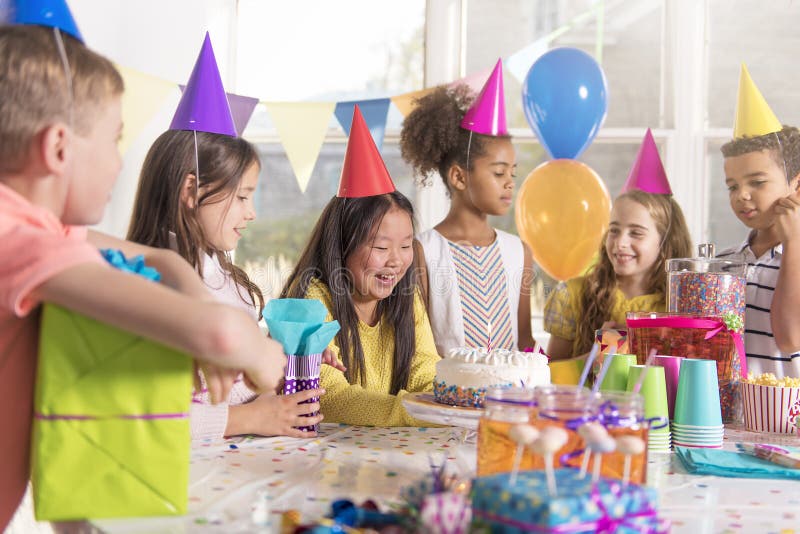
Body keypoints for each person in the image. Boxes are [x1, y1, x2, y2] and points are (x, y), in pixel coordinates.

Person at [0, 25, 285, 530]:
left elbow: (156, 260)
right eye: (114, 141)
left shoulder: (28, 229)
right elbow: (218, 333)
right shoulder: (21, 242)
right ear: (59, 148)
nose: (118, 162)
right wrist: (260, 354)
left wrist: (190, 287)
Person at [128, 130, 344, 439]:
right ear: (191, 190)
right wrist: (249, 419)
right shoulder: (153, 289)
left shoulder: (225, 279)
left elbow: (236, 385)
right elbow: (146, 413)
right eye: (242, 196)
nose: (252, 212)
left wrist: (286, 359)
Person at [281, 106, 440, 426]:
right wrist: (417, 410)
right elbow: (331, 397)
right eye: (381, 247)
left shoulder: (405, 297)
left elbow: (427, 373)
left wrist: (444, 400)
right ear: (342, 244)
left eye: (406, 245)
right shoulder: (311, 302)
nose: (396, 260)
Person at [400, 59, 537, 355]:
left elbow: (525, 342)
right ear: (459, 177)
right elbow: (419, 348)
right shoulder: (424, 250)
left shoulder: (519, 252)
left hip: (510, 399)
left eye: (512, 173)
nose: (510, 183)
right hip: (445, 399)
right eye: (499, 173)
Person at [544, 129, 693, 359]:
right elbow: (549, 378)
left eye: (636, 233)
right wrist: (595, 356)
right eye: (614, 230)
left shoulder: (680, 306)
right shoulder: (573, 296)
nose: (620, 242)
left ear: (665, 242)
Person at [717, 65, 800, 378]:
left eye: (757, 182)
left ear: (796, 185)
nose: (742, 196)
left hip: (788, 424)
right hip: (731, 421)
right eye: (733, 186)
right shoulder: (723, 263)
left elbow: (791, 338)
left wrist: (794, 242)